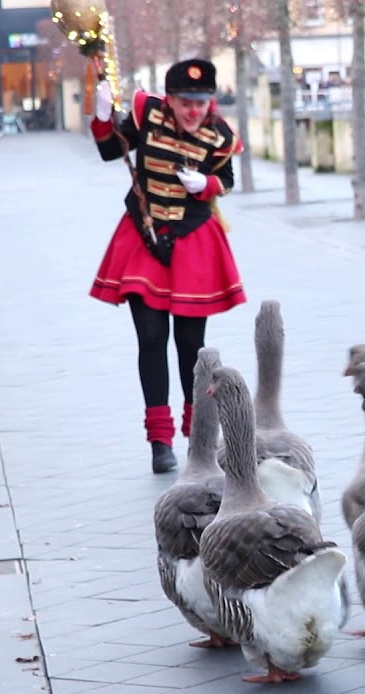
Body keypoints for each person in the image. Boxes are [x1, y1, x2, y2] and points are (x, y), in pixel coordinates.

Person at [88, 58, 247, 474]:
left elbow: (227, 178)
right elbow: (110, 151)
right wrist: (103, 115)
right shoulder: (146, 112)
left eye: (200, 102)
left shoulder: (220, 135)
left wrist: (208, 185)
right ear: (170, 100)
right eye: (184, 102)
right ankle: (160, 441)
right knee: (151, 337)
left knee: (191, 347)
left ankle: (199, 436)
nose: (193, 111)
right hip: (144, 236)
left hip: (193, 241)